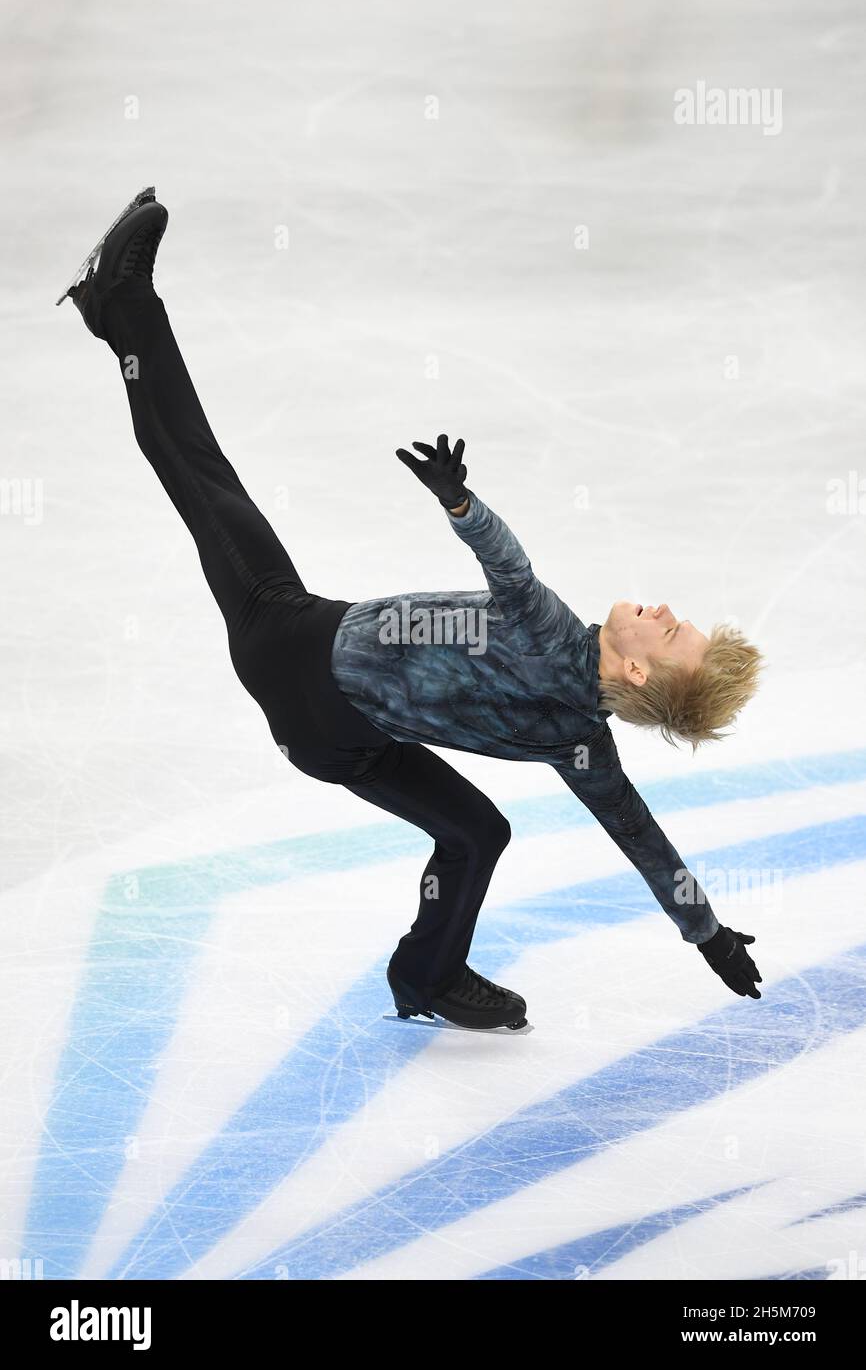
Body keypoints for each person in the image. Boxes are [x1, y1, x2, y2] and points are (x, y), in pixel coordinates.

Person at [61, 193, 764, 1032]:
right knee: (475, 835)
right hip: (339, 741)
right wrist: (710, 936)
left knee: (200, 474)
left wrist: (461, 503)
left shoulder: (552, 636)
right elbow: (645, 843)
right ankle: (425, 975)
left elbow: (508, 565)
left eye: (671, 630)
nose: (667, 610)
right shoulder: (584, 743)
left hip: (290, 645)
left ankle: (122, 302)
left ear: (639, 669)